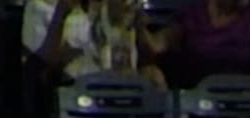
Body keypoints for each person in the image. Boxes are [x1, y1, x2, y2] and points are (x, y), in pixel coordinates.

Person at [21, 0, 166, 88]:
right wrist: (61, 14)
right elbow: (39, 67)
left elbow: (140, 57)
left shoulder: (114, 6)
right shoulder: (39, 7)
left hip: (120, 87)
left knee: (154, 78)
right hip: (76, 87)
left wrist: (138, 27)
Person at [147, 0, 250, 89]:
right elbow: (157, 45)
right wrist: (138, 25)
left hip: (243, 92)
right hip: (199, 92)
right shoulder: (192, 14)